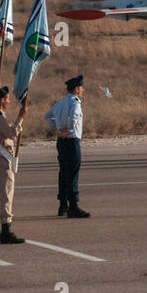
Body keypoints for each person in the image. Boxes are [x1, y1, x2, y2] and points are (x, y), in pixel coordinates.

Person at [0, 85, 26, 244]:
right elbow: (10, 134)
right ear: (2, 100)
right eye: (7, 99)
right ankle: (5, 230)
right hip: (2, 160)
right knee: (5, 194)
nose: (8, 101)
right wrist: (20, 118)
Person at [44, 75, 88, 218]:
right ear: (76, 89)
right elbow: (74, 118)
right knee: (72, 174)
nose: (82, 89)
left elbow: (47, 116)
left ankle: (63, 204)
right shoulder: (75, 102)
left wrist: (57, 128)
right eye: (81, 87)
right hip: (71, 141)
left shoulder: (60, 102)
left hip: (61, 143)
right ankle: (73, 206)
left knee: (63, 173)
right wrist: (66, 130)